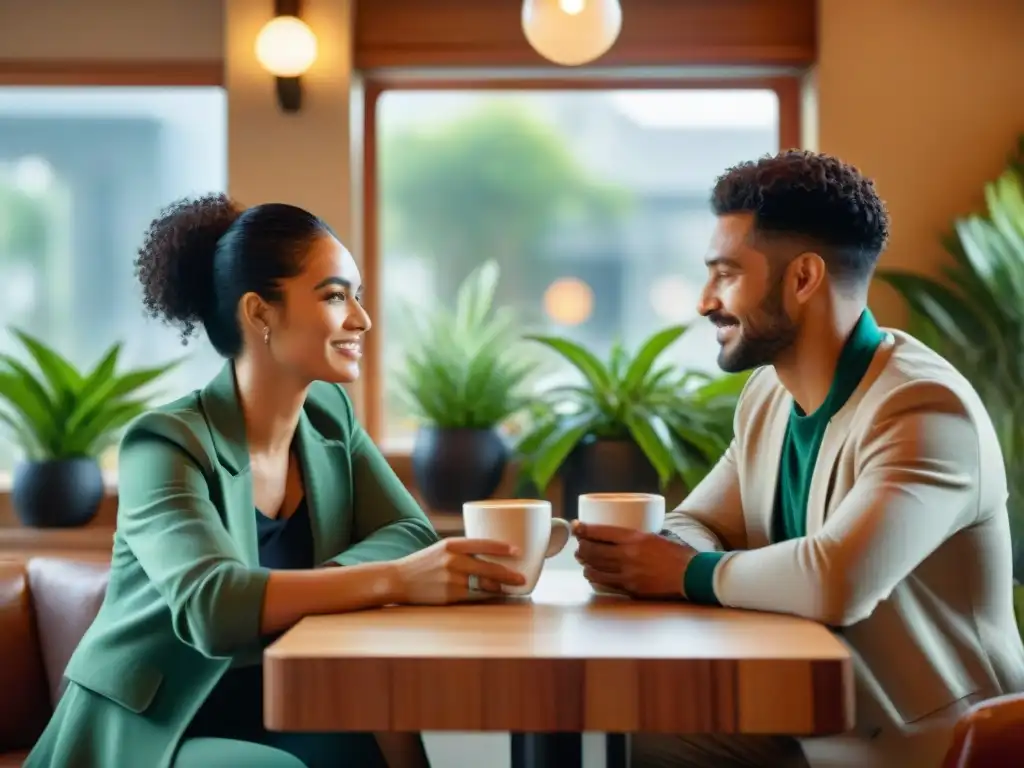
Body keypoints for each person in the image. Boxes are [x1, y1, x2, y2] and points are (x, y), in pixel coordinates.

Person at [25, 195, 528, 768]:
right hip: (157, 724)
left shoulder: (329, 418)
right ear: (260, 313)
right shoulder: (164, 444)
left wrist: (321, 584)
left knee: (384, 745)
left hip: (282, 696)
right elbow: (213, 606)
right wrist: (392, 580)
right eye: (335, 296)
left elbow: (409, 533)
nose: (361, 318)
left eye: (357, 295)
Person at [573, 150, 1024, 768]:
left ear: (804, 278)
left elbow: (837, 582)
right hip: (813, 717)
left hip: (936, 744)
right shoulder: (769, 395)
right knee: (621, 734)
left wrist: (683, 572)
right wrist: (667, 557)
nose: (705, 301)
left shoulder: (924, 408)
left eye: (726, 274)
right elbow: (693, 523)